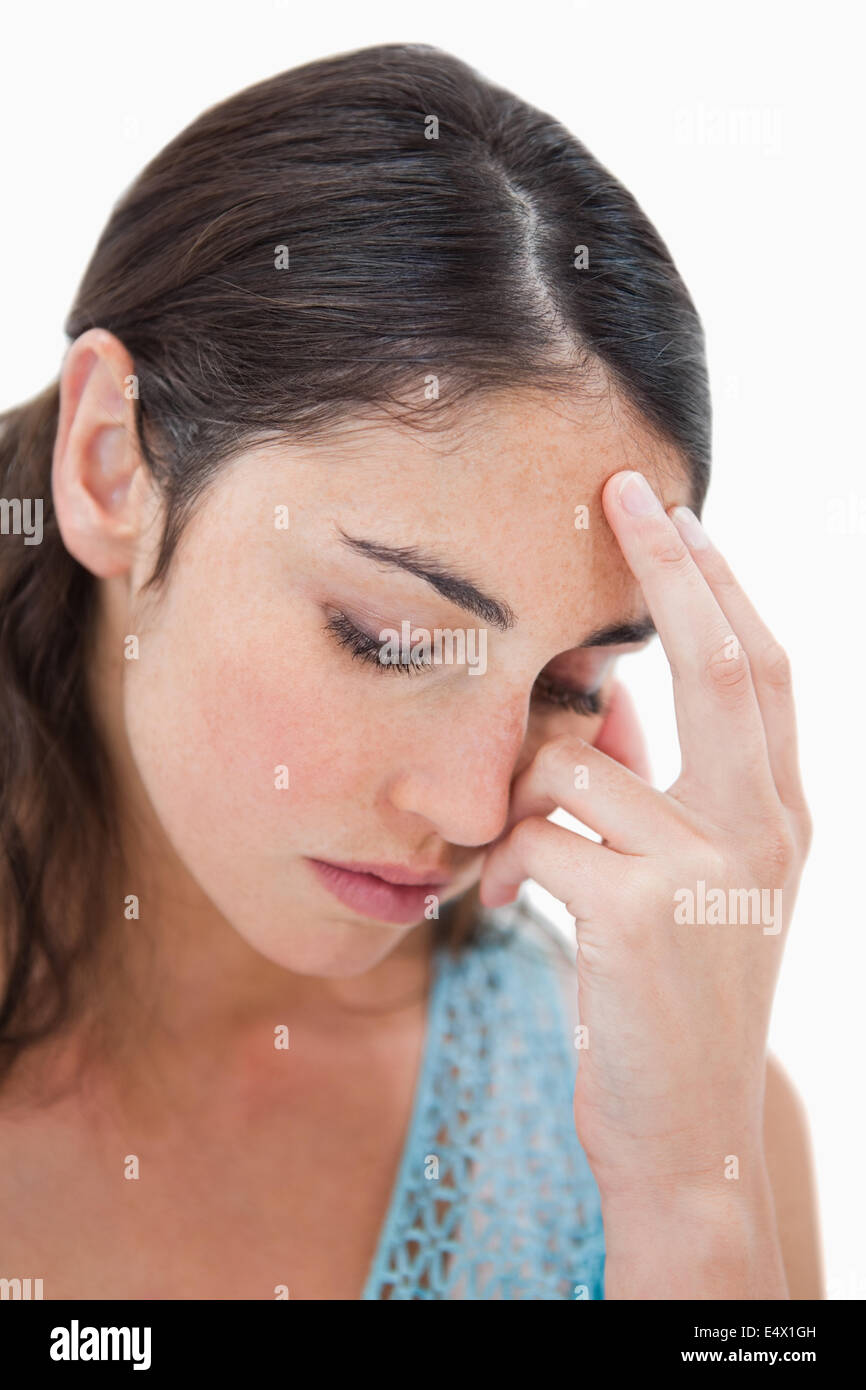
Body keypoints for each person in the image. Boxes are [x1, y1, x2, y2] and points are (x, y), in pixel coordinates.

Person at [0, 42, 822, 1300]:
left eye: (567, 683)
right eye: (387, 640)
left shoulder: (678, 1122)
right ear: (112, 462)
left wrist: (691, 1198)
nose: (473, 808)